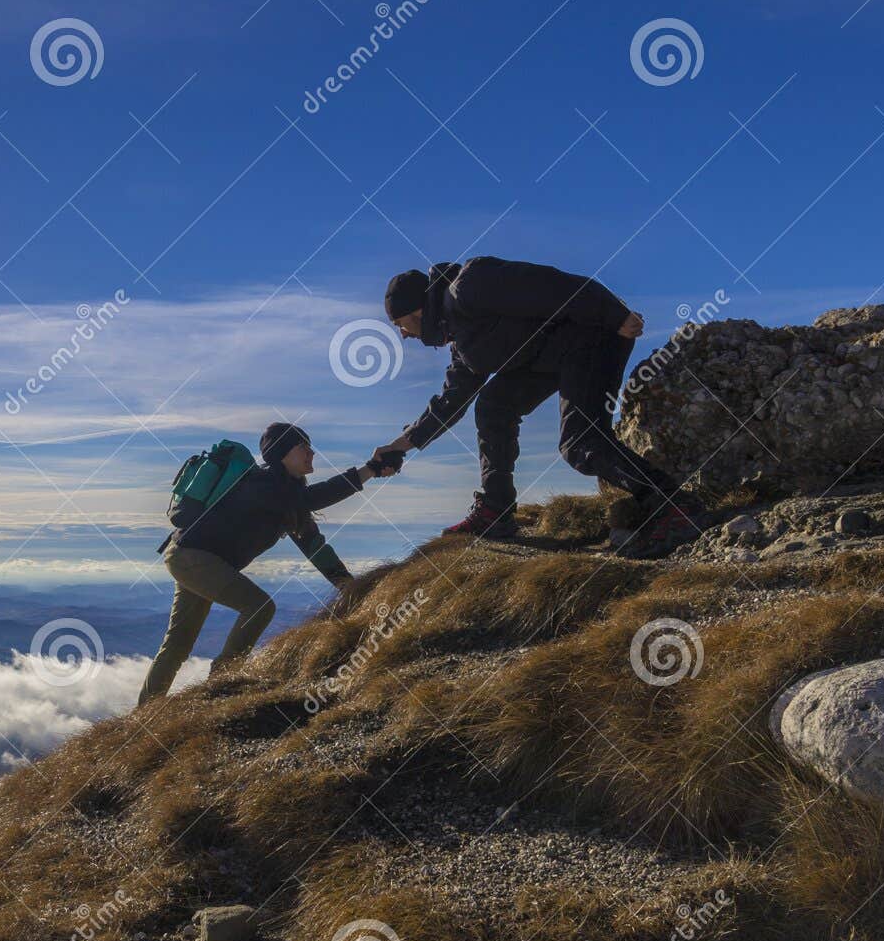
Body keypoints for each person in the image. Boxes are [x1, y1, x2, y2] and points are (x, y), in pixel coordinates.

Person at [372, 257, 703, 557]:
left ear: (416, 310)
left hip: (594, 336)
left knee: (580, 443)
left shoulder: (470, 285)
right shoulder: (462, 341)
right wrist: (400, 446)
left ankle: (675, 506)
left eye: (399, 324)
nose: (402, 334)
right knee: (493, 404)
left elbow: (552, 285)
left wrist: (613, 313)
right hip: (551, 355)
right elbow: (450, 401)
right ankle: (496, 512)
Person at [138, 423, 396, 704]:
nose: (311, 452)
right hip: (192, 558)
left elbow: (314, 546)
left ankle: (144, 715)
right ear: (283, 453)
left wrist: (347, 586)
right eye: (303, 446)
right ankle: (220, 683)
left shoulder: (287, 496)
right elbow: (316, 498)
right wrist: (369, 469)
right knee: (259, 607)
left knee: (177, 642)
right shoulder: (263, 485)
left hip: (191, 557)